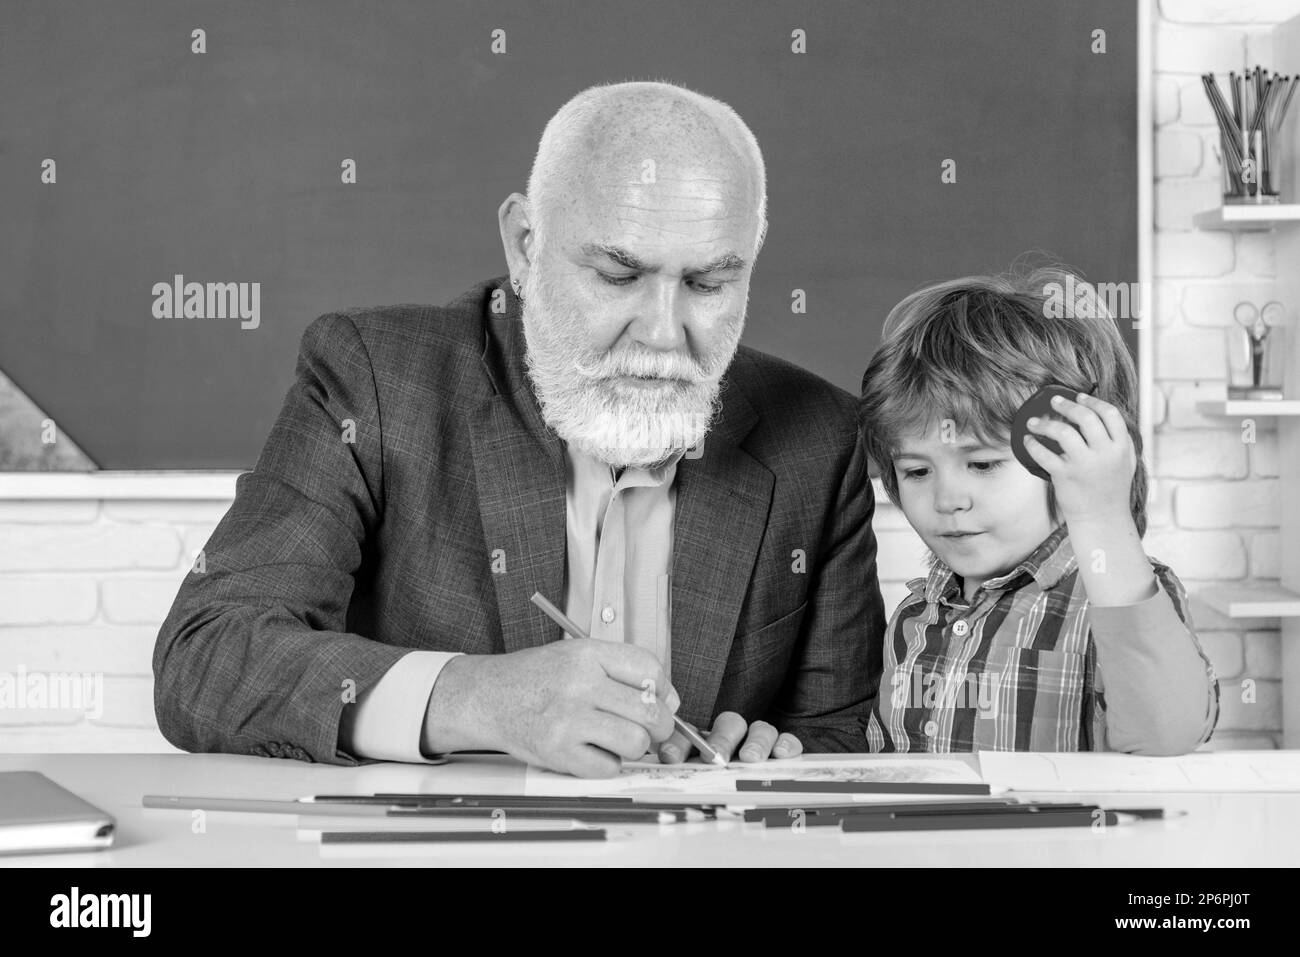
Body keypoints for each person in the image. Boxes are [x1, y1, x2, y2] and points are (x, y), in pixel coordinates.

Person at [153, 80, 887, 777]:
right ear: (525, 243)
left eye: (708, 284)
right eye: (618, 275)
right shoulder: (374, 379)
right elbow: (206, 655)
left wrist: (774, 753)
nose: (665, 335)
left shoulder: (817, 438)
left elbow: (839, 731)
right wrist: (477, 698)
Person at [857, 265, 1219, 753]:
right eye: (917, 472)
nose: (947, 500)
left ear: (1064, 454)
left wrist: (1099, 514)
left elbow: (1168, 734)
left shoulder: (1115, 600)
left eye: (983, 464)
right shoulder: (913, 617)